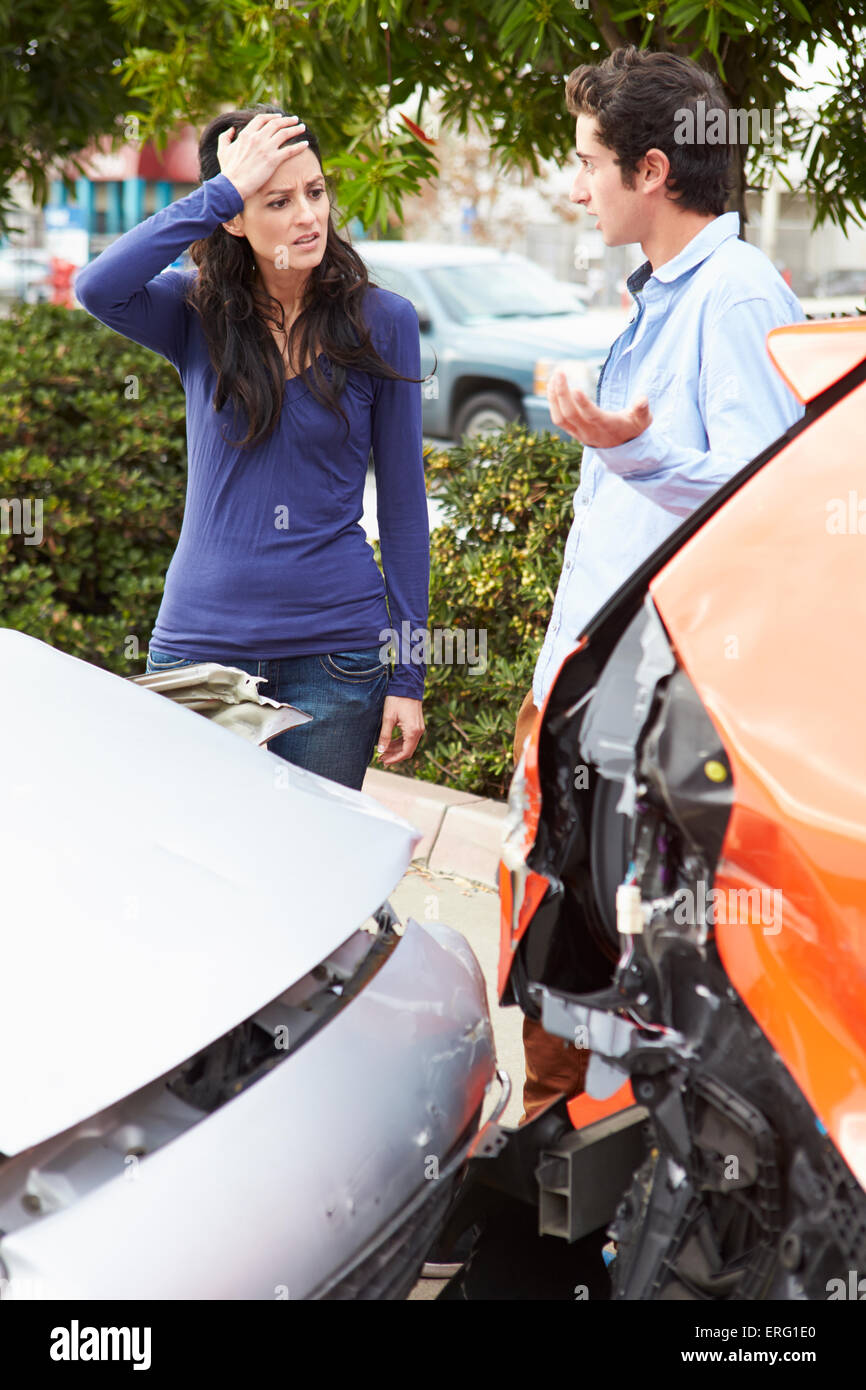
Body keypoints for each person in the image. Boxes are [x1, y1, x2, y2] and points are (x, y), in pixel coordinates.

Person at [515, 46, 806, 1122]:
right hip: (597, 701)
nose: (573, 182)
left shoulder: (730, 296)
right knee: (564, 955)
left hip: (649, 720)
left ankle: (584, 1195)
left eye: (586, 161)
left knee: (615, 980)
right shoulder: (671, 290)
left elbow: (764, 505)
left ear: (648, 170)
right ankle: (548, 1163)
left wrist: (629, 452)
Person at [74, 104, 429, 791]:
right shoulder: (193, 311)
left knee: (312, 878)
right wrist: (220, 190)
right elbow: (97, 287)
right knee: (190, 864)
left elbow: (408, 513)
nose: (308, 216)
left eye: (316, 192)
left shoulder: (382, 321)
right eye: (276, 198)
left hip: (336, 655)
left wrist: (408, 674)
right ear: (233, 216)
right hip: (198, 647)